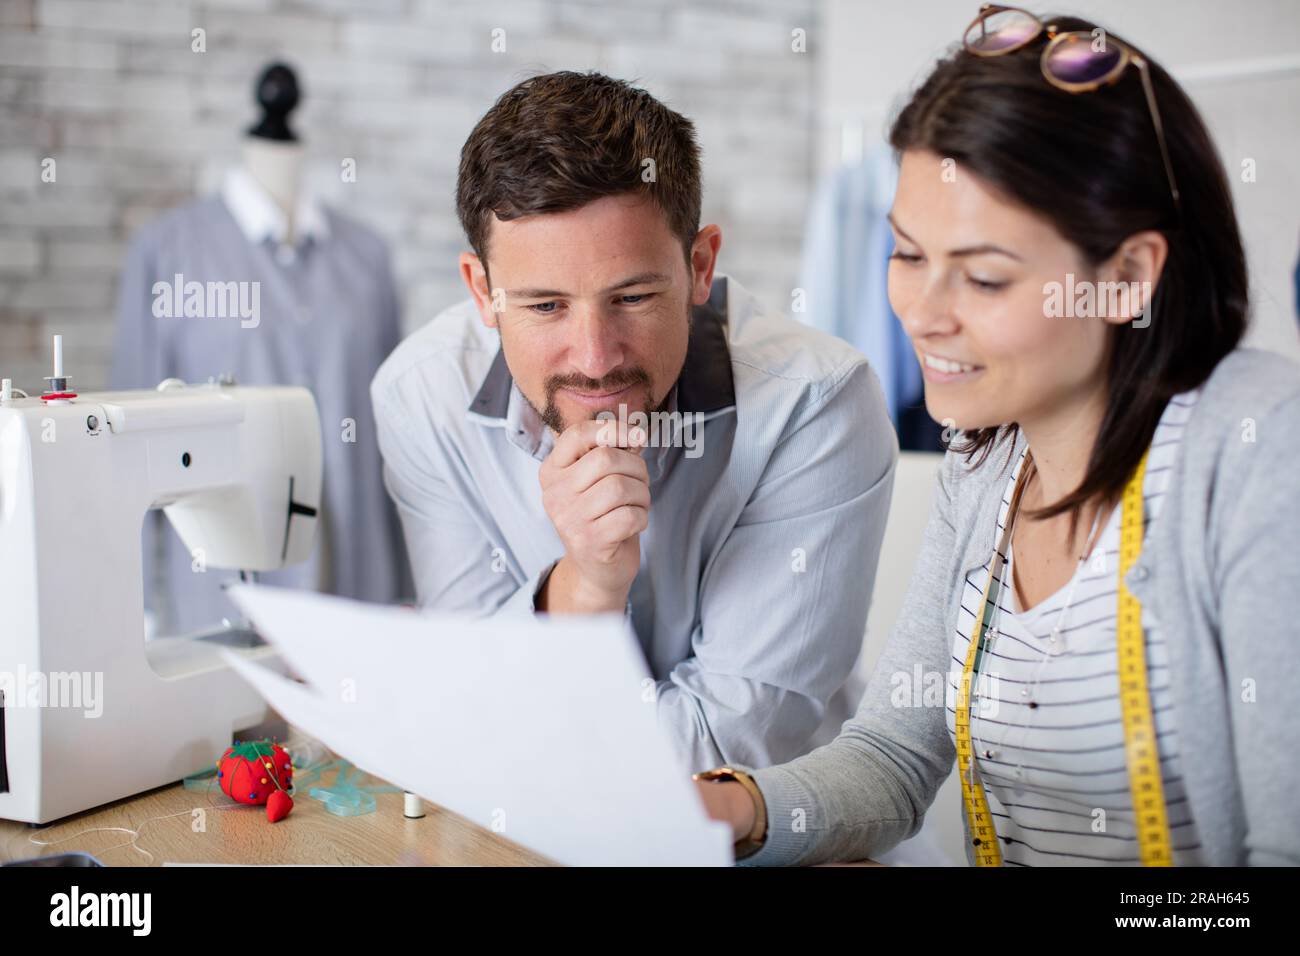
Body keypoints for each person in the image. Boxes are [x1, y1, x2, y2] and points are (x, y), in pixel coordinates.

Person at [695, 6, 1300, 866]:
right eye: (906, 255)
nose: (923, 315)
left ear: (1126, 277)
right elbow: (895, 758)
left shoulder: (1254, 452)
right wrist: (728, 808)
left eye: (983, 276)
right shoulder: (989, 464)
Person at [370, 71, 900, 775]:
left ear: (701, 266)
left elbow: (727, 754)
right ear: (481, 292)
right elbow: (470, 700)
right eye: (544, 307)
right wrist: (584, 587)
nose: (595, 360)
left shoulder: (818, 405)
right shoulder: (421, 397)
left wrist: (505, 733)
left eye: (633, 296)